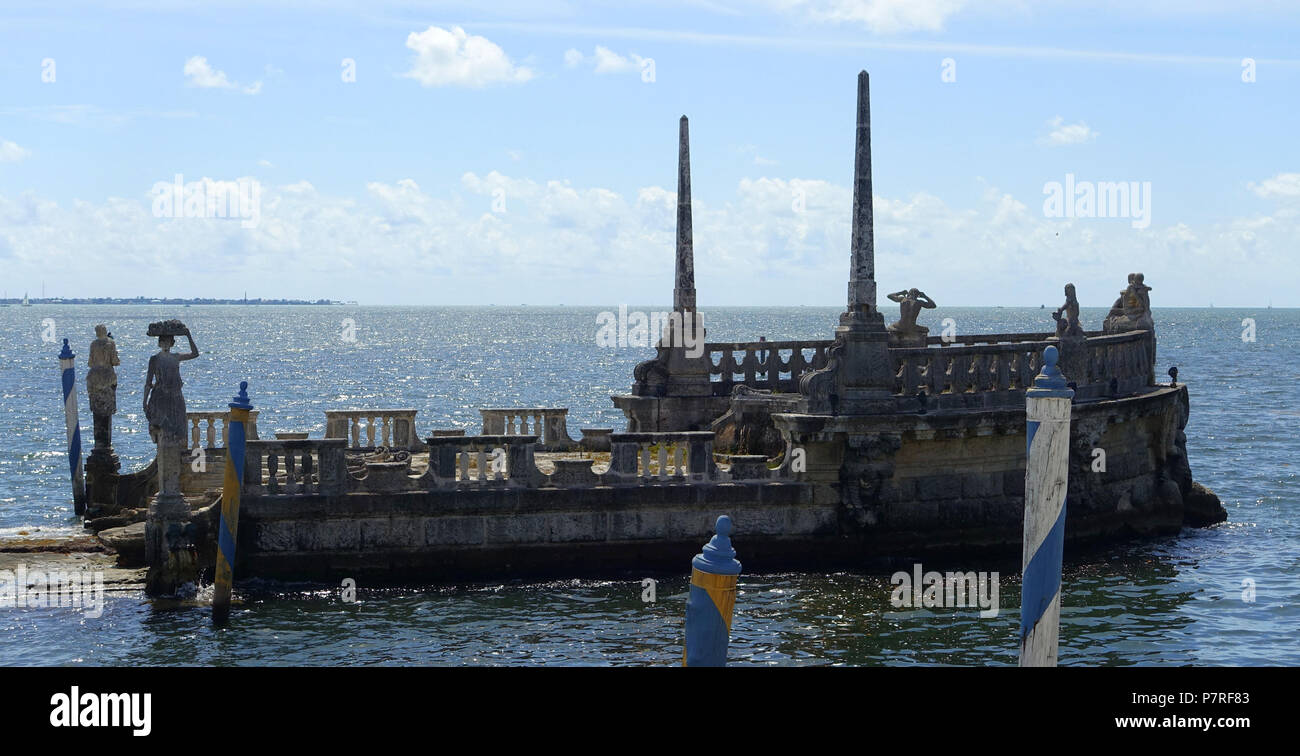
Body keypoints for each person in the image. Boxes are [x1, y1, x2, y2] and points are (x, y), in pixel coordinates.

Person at [143, 326, 199, 444]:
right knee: (163, 428)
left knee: (179, 428)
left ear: (172, 344)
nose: (165, 344)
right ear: (159, 344)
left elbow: (195, 353)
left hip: (175, 397)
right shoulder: (154, 359)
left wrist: (188, 335)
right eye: (163, 342)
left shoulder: (176, 357)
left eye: (168, 342)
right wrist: (144, 401)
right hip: (160, 397)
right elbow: (148, 383)